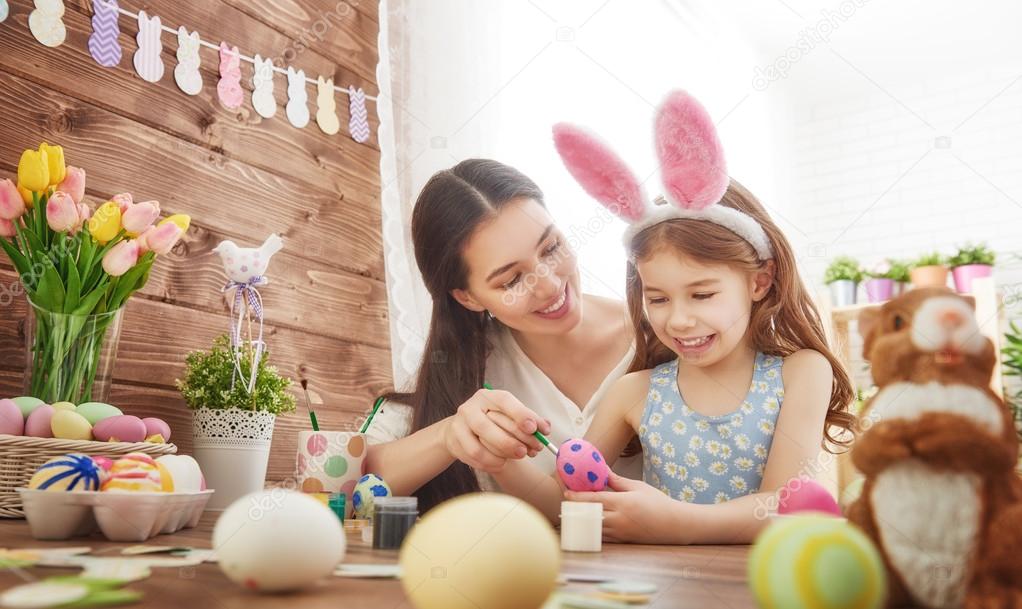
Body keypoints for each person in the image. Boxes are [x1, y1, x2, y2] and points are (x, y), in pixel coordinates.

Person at [492, 90, 854, 544]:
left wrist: (678, 523)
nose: (679, 320)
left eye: (701, 294)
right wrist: (499, 459)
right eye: (658, 298)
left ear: (759, 282)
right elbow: (561, 505)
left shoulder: (801, 373)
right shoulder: (634, 392)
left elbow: (788, 503)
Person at [362, 159, 642, 512]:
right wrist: (449, 435)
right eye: (511, 280)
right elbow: (347, 483)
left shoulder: (663, 334)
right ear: (468, 297)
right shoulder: (467, 369)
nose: (550, 285)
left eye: (551, 248)